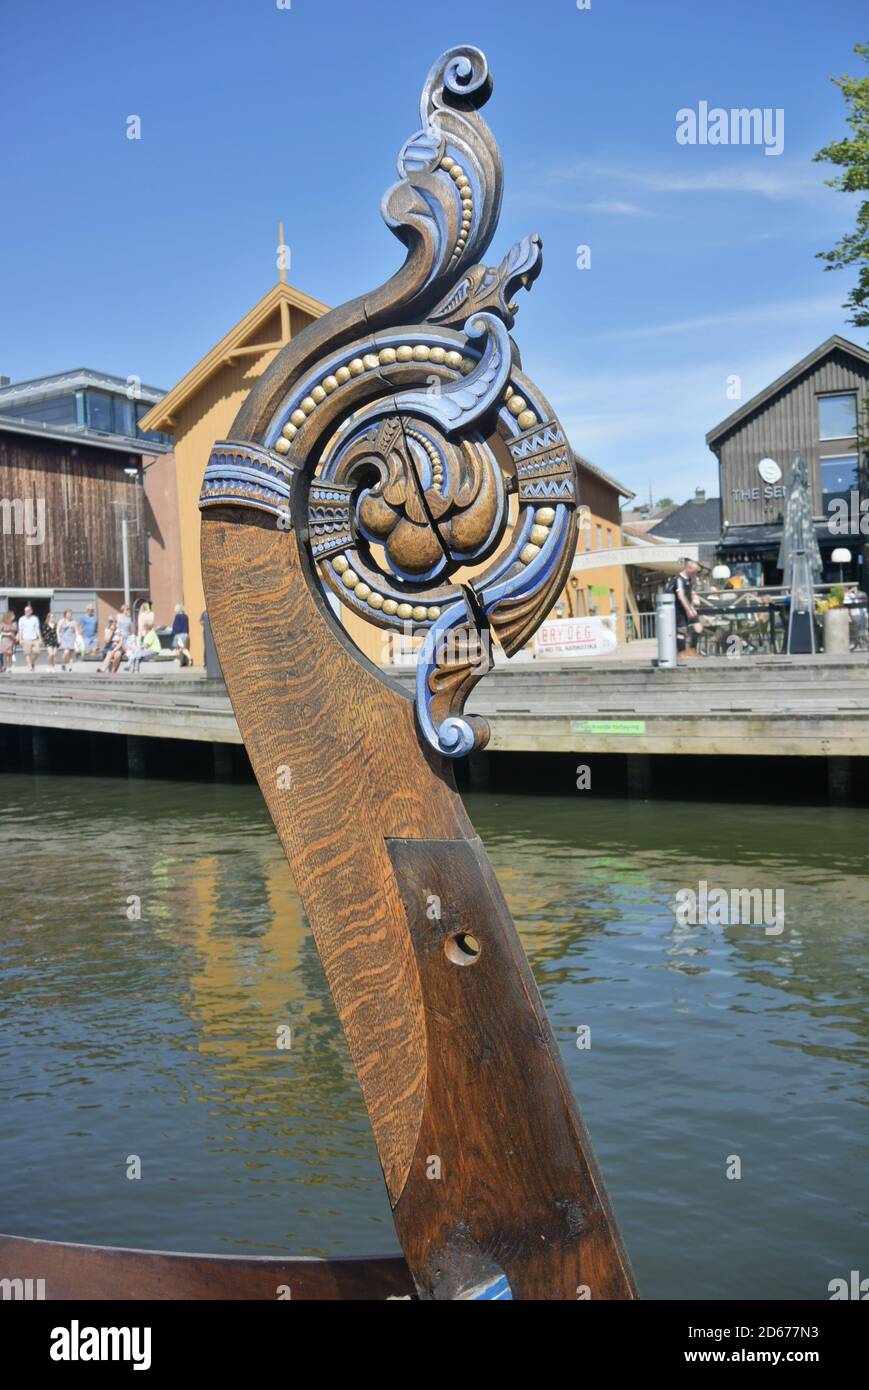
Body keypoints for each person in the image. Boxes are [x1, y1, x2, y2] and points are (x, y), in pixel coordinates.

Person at [672, 560, 703, 660]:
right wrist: (689, 609)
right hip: (680, 610)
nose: (695, 573)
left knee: (698, 629)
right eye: (694, 571)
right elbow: (681, 596)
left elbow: (689, 592)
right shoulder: (678, 579)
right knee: (682, 632)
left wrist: (694, 598)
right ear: (689, 568)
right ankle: (681, 654)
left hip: (689, 608)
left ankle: (692, 650)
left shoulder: (689, 578)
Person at [17, 603, 42, 672]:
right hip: (26, 639)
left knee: (37, 652)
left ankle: (31, 663)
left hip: (34, 638)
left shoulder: (35, 618)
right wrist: (20, 639)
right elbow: (20, 630)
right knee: (27, 654)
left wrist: (40, 638)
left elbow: (37, 629)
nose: (26, 612)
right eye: (25, 611)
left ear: (31, 611)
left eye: (28, 611)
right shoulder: (21, 619)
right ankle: (30, 667)